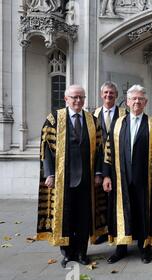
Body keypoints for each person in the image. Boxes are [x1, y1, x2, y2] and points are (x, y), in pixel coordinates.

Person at [36, 85, 104, 268]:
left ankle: (82, 252)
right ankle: (67, 254)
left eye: (81, 97)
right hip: (62, 180)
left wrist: (98, 173)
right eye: (74, 97)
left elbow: (100, 150)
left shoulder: (92, 120)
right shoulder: (54, 119)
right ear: (66, 99)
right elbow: (46, 149)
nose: (78, 101)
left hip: (86, 180)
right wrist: (49, 174)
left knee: (83, 218)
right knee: (66, 218)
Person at [102, 85, 152, 264]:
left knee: (143, 212)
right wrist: (106, 176)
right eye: (133, 99)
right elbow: (107, 151)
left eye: (140, 99)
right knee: (122, 213)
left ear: (145, 102)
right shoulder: (117, 123)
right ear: (128, 101)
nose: (137, 102)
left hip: (145, 178)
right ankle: (120, 248)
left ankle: (144, 249)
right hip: (120, 177)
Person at [93, 81, 127, 244]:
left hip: (118, 164)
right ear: (101, 95)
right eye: (106, 93)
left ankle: (117, 229)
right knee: (100, 200)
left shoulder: (124, 113)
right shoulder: (93, 115)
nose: (108, 95)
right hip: (99, 163)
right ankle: (102, 231)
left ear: (116, 95)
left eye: (111, 93)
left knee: (116, 199)